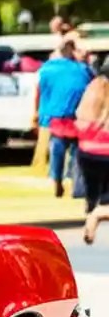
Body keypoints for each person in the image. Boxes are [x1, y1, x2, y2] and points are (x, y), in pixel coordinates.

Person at [38, 37, 94, 198]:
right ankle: (77, 186)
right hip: (78, 117)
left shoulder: (46, 69)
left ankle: (56, 179)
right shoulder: (83, 70)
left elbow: (42, 93)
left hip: (56, 116)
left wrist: (41, 116)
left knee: (58, 150)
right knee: (77, 152)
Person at [77, 63, 109, 244]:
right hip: (107, 153)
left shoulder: (92, 90)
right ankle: (96, 214)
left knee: (94, 191)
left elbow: (78, 117)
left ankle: (91, 211)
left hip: (87, 152)